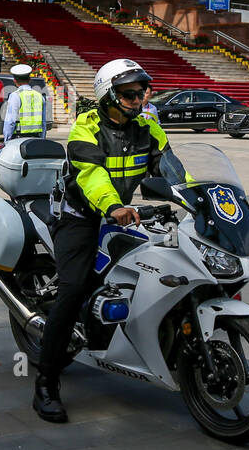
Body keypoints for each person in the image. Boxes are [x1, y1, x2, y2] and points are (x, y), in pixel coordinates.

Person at [33, 59, 171, 423]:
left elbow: (173, 171)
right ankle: (46, 382)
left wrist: (200, 198)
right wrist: (113, 206)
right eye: (130, 93)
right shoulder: (85, 127)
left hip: (120, 213)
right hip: (79, 214)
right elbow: (92, 175)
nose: (139, 98)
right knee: (74, 286)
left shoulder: (148, 128)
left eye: (143, 91)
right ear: (108, 95)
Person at [0, 64, 49, 143]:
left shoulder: (15, 96)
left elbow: (10, 122)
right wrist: (42, 140)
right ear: (29, 79)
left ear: (14, 81)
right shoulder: (40, 96)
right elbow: (43, 123)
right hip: (36, 139)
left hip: (18, 140)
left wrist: (6, 141)